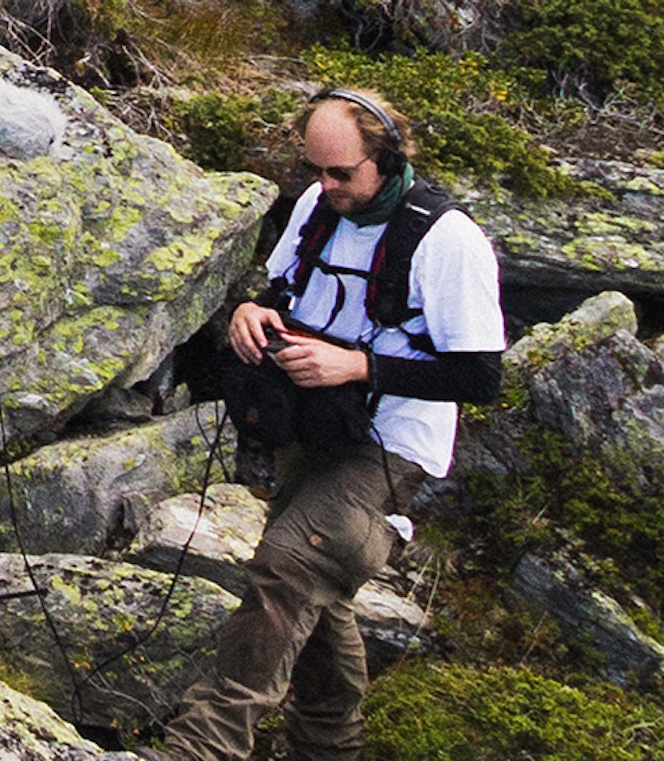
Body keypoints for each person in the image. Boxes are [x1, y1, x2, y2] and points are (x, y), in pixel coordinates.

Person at [143, 87, 507, 761]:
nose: (327, 185)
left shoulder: (448, 240)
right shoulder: (317, 207)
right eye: (315, 170)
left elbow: (481, 377)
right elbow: (280, 292)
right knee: (317, 589)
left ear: (388, 157)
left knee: (287, 565)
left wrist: (359, 366)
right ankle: (330, 744)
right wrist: (253, 312)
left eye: (342, 172)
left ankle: (200, 747)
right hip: (310, 426)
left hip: (389, 444)